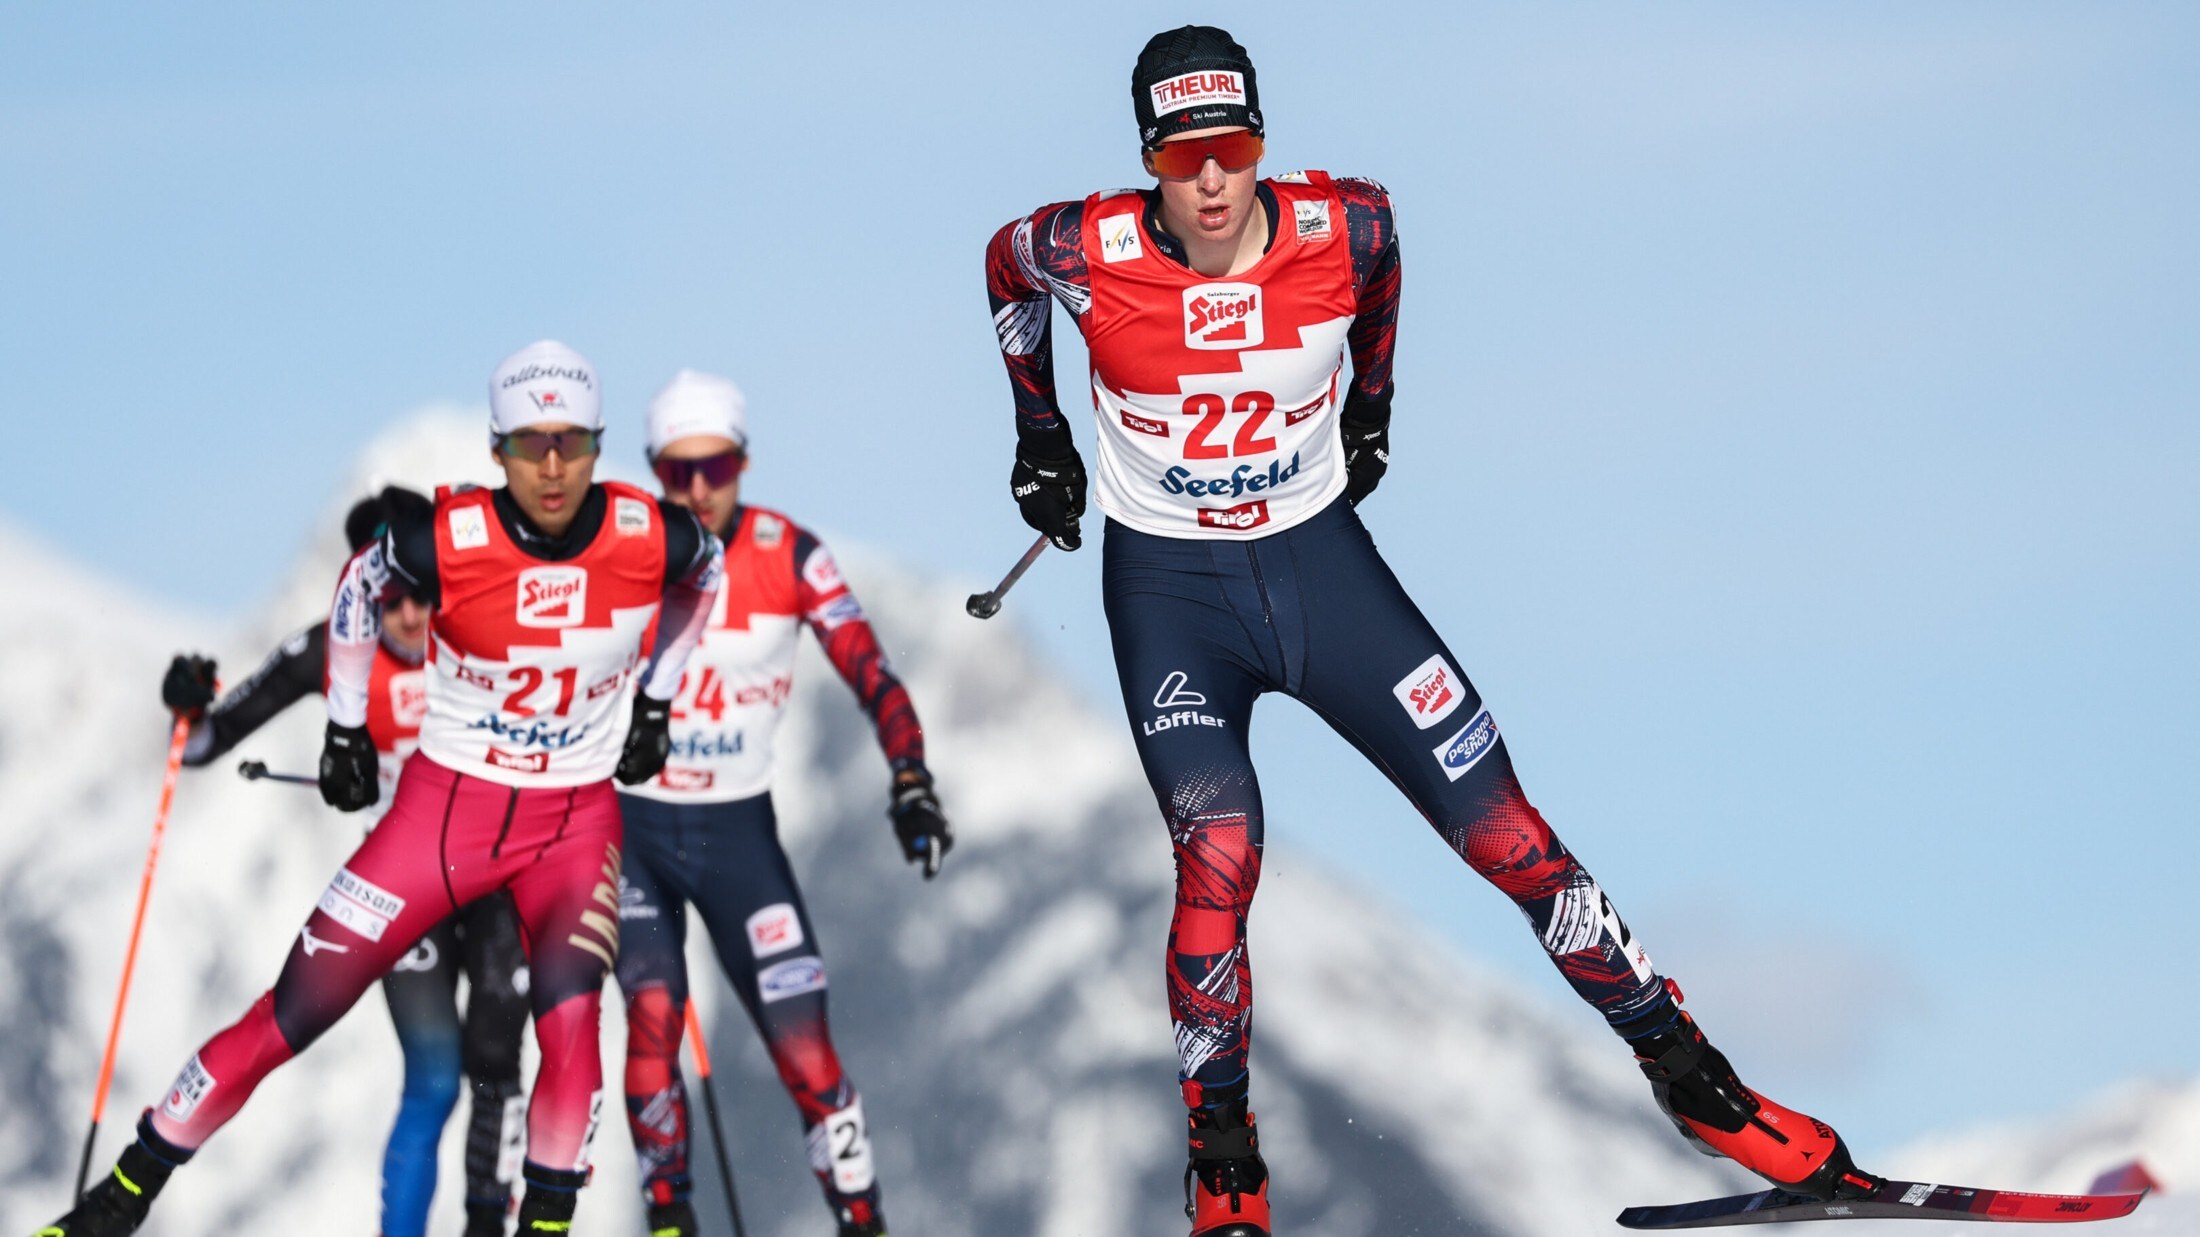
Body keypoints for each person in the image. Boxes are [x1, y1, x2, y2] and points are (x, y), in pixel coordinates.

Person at [982, 27, 1875, 1237]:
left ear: (1262, 145)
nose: (1210, 181)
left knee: (1507, 833)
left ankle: (1697, 1080)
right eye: (1182, 156)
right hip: (1172, 595)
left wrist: (1374, 404)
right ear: (1148, 159)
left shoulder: (1341, 227)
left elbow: (1385, 269)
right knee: (1221, 854)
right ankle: (1225, 1155)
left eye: (1234, 149)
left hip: (1322, 572)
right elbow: (1003, 271)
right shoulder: (1080, 246)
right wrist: (1039, 440)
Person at [42, 340, 724, 1237]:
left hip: (570, 825)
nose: (552, 467)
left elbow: (704, 575)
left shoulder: (652, 536)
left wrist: (657, 704)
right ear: (496, 450)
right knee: (293, 1013)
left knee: (566, 1032)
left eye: (571, 442)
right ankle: (119, 1199)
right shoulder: (442, 538)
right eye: (528, 444)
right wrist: (346, 727)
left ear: (599, 444)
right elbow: (358, 591)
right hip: (443, 818)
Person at [609, 370, 951, 1237]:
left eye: (714, 465)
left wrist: (909, 774)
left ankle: (863, 1219)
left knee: (806, 1048)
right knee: (652, 1017)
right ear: (653, 469)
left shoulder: (790, 553)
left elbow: (871, 669)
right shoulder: (627, 554)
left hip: (738, 836)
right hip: (635, 829)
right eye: (674, 469)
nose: (695, 488)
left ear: (744, 461)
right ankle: (667, 1216)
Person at [156, 485, 534, 1237]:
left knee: (496, 1064)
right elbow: (201, 746)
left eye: (424, 595)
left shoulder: (485, 635)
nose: (410, 616)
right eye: (392, 598)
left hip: (496, 880)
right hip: (403, 884)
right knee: (431, 1079)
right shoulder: (331, 647)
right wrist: (188, 703)